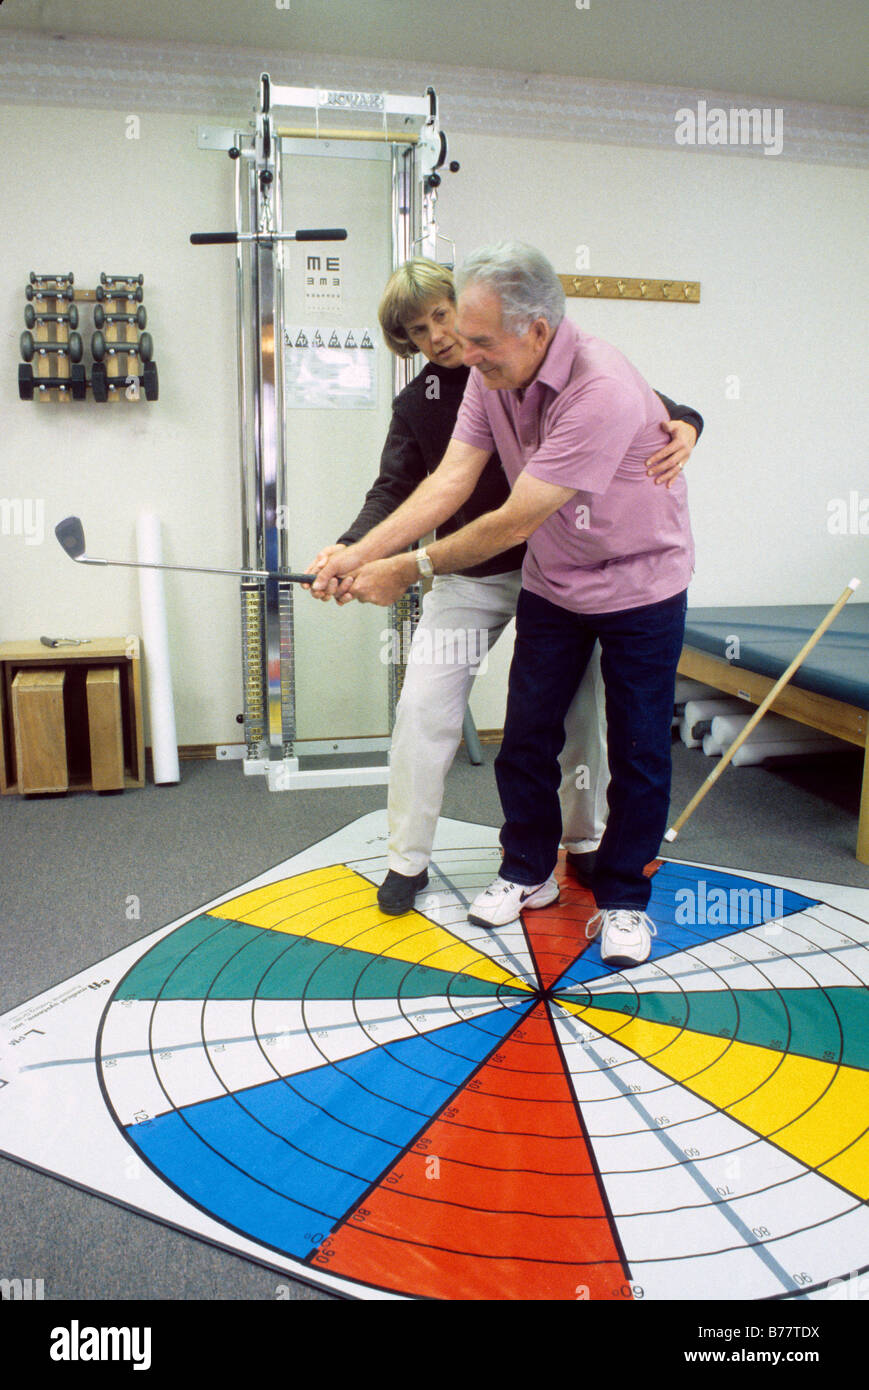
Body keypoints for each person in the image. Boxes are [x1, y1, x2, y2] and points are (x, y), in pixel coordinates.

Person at [312, 251, 698, 964]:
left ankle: (618, 896)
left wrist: (408, 566)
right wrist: (358, 552)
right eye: (433, 330)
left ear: (537, 330)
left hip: (634, 581)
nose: (456, 348)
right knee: (523, 732)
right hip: (541, 576)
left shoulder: (598, 385)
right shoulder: (485, 377)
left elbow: (517, 517)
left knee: (634, 741)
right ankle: (522, 870)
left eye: (472, 336)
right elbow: (442, 484)